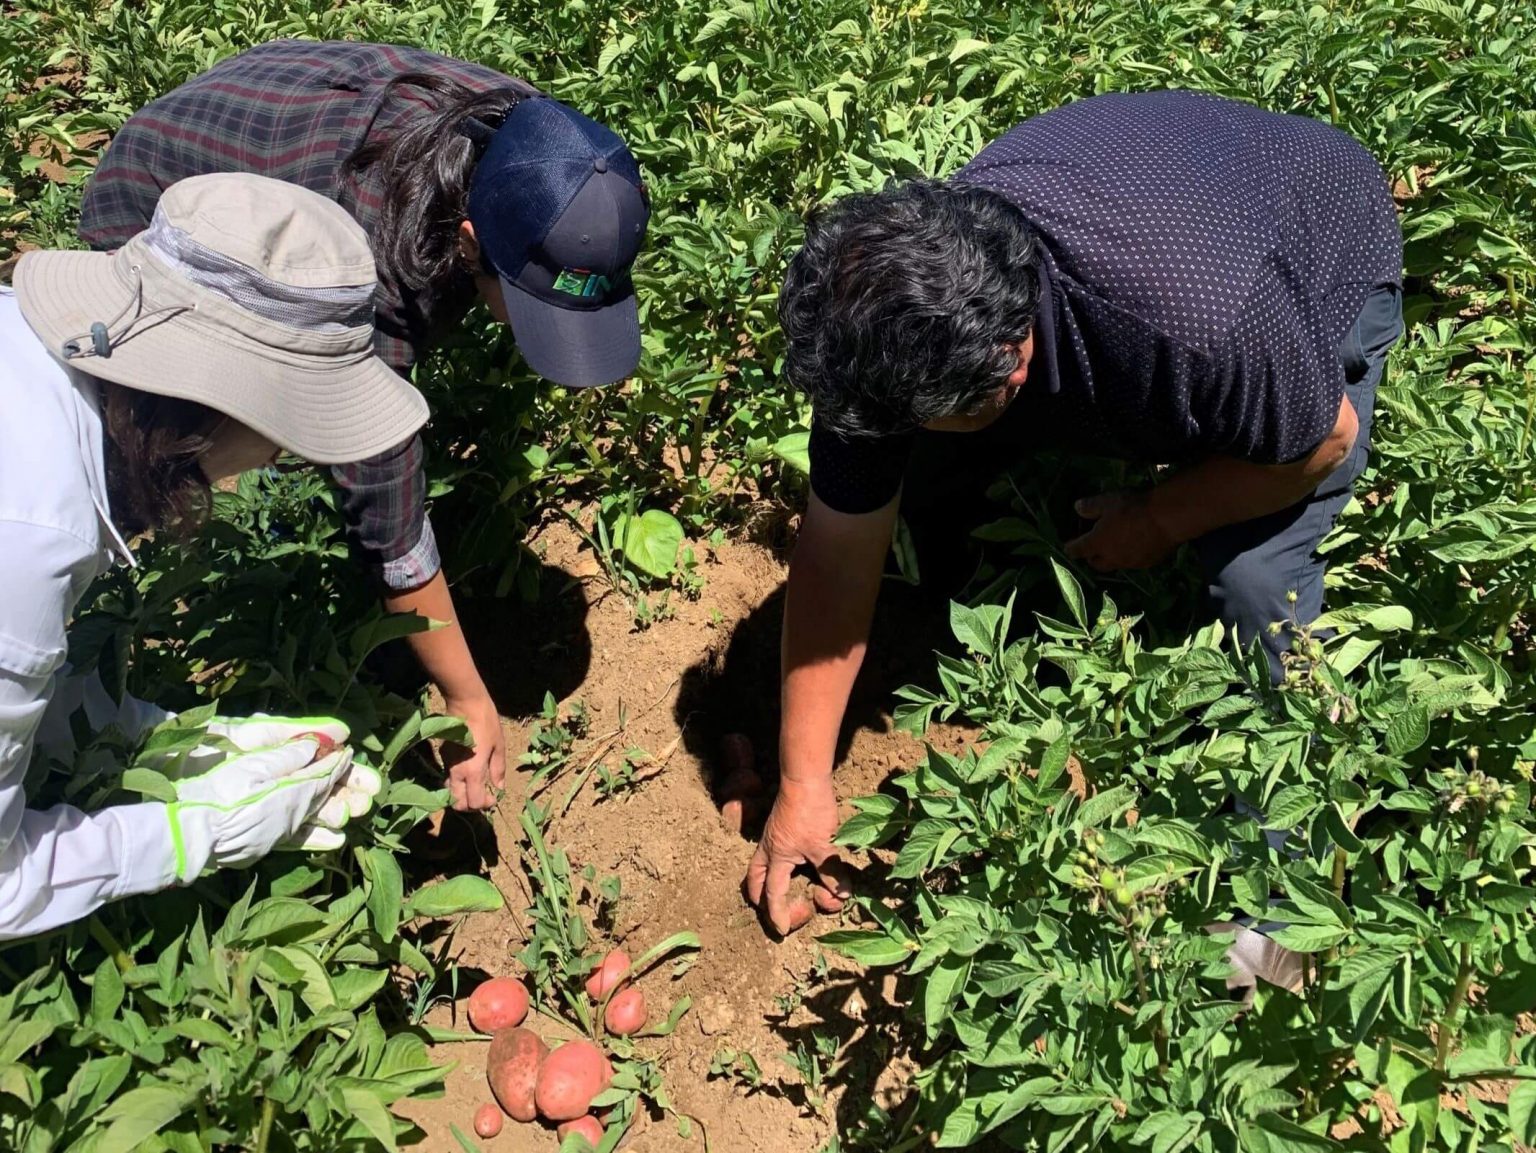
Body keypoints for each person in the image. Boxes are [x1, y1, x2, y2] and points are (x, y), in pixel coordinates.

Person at [746, 90, 1404, 939]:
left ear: (1009, 375)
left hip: (1323, 235)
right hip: (1179, 188)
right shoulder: (889, 307)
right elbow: (837, 547)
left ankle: (1281, 926)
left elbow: (1323, 444)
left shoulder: (1202, 325)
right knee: (923, 474)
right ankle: (959, 596)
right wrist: (802, 781)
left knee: (1256, 583)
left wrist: (1162, 516)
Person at [79, 39, 651, 812]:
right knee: (154, 457)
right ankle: (95, 687)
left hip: (268, 109)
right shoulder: (376, 253)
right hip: (156, 190)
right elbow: (387, 502)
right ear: (471, 241)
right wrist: (464, 691)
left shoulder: (538, 150)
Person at [0, 171, 430, 939]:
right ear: (218, 407)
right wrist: (199, 833)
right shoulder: (32, 537)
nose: (275, 455)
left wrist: (173, 738)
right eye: (285, 426)